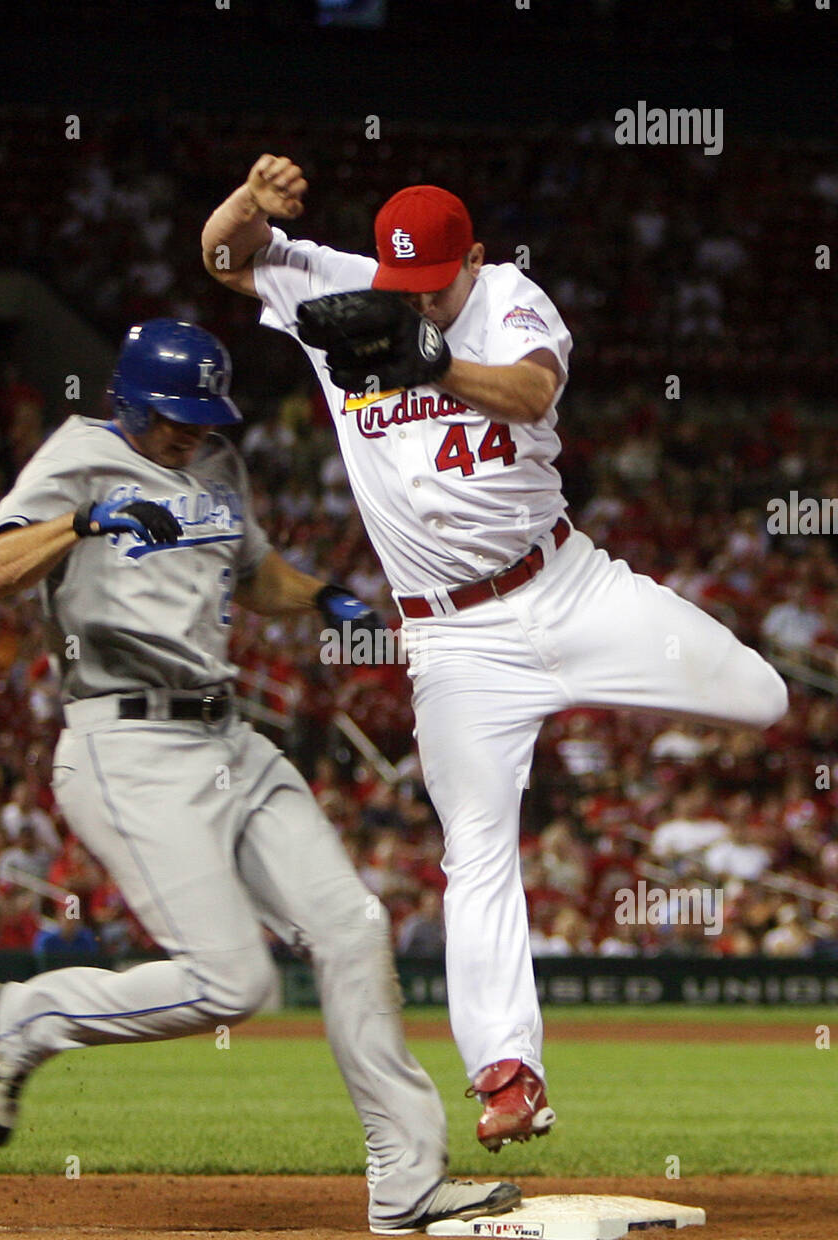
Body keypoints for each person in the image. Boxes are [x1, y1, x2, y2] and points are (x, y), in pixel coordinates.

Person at [202, 155, 789, 1152]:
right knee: (473, 849)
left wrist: (426, 361)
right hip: (455, 637)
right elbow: (223, 258)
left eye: (432, 279)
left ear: (471, 259)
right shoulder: (351, 291)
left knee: (766, 698)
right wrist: (249, 209)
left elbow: (524, 393)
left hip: (567, 588)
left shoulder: (512, 298)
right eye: (399, 283)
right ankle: (506, 1074)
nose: (412, 296)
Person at [0, 317, 521, 1235]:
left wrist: (322, 597)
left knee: (352, 926)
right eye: (174, 416)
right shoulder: (78, 454)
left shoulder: (218, 462)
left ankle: (408, 1181)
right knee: (233, 986)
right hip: (125, 741)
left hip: (230, 736)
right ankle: (31, 1019)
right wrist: (80, 520)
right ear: (128, 401)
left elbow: (252, 570)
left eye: (202, 415)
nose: (190, 431)